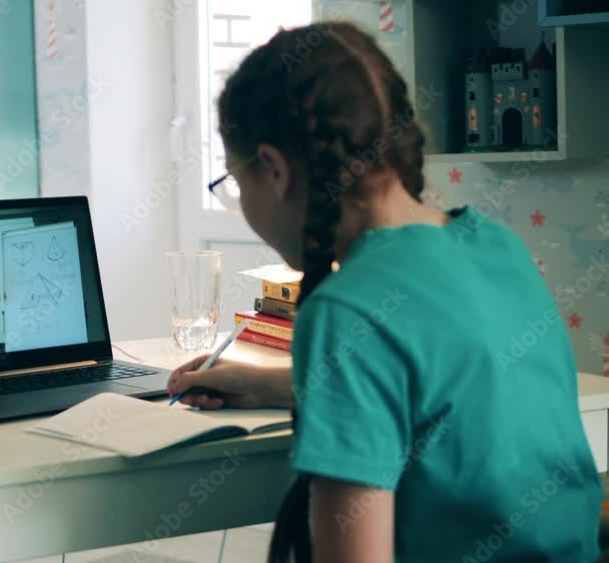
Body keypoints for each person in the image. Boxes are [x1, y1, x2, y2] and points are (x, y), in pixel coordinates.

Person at [168, 22, 601, 563]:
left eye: (234, 181)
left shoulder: (345, 308)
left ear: (274, 170)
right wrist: (269, 386)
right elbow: (436, 393)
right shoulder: (496, 246)